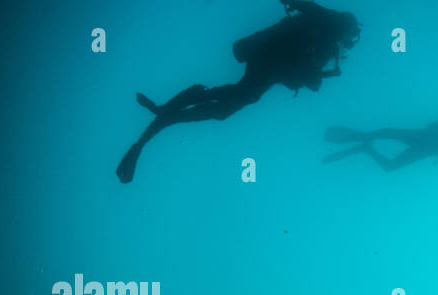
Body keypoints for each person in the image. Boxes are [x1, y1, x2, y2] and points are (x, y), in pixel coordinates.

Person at [117, 1, 361, 183]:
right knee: (235, 101)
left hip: (271, 66)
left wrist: (320, 76)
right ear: (346, 28)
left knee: (230, 103)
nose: (348, 41)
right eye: (350, 36)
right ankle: (175, 108)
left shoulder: (328, 43)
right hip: (268, 58)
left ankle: (176, 106)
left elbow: (307, 78)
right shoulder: (327, 22)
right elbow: (302, 7)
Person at [322, 119, 438, 169]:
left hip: (420, 139)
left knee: (388, 133)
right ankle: (366, 146)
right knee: (390, 164)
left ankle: (363, 140)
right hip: (423, 146)